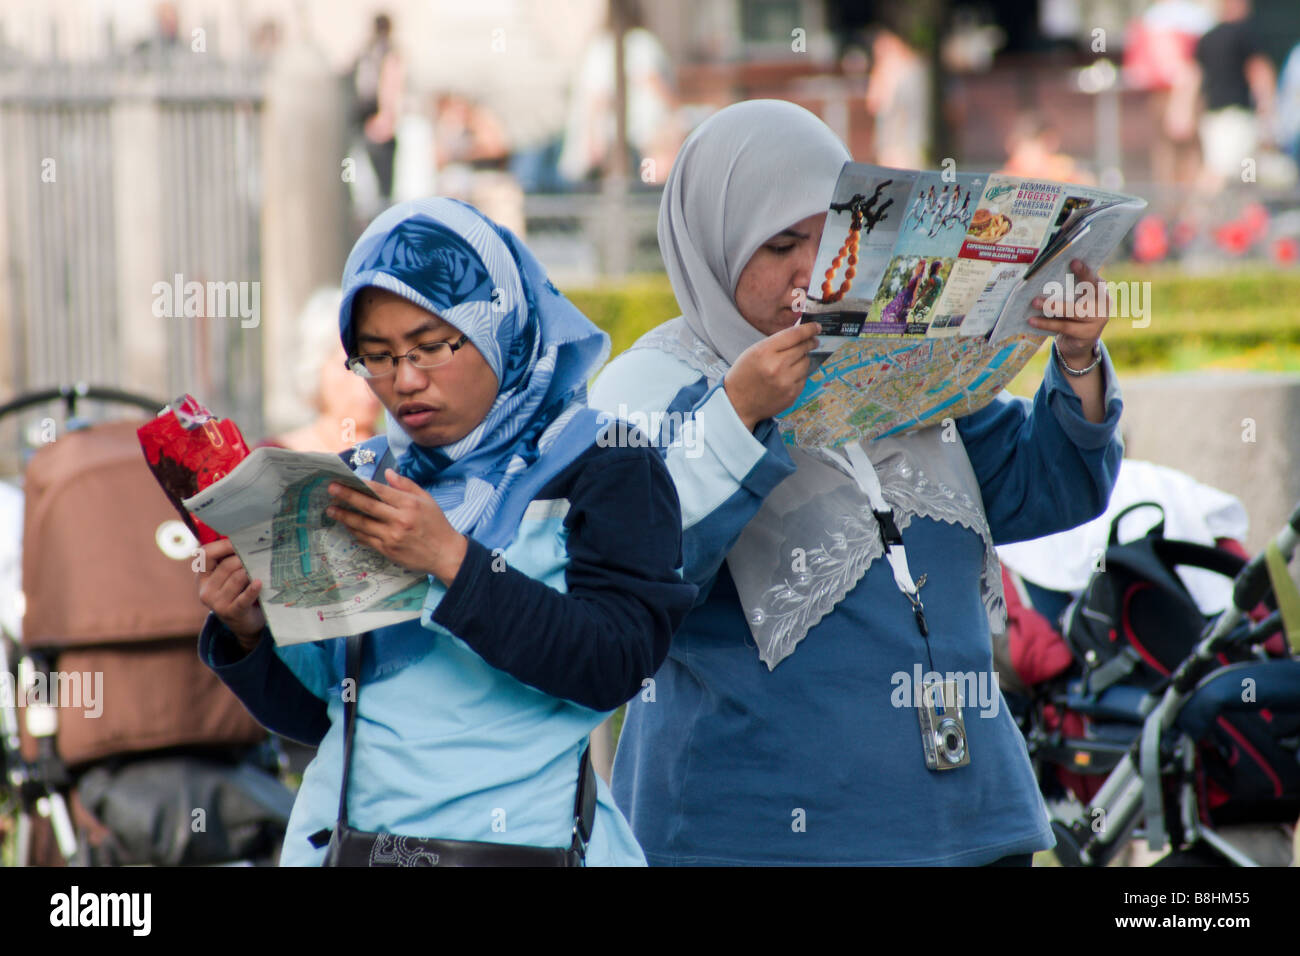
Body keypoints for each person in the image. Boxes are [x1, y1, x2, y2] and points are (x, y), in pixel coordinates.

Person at [590, 100, 1123, 866]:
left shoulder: (898, 354)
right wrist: (738, 417)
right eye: (779, 245)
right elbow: (628, 576)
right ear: (712, 247)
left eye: (837, 237)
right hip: (759, 837)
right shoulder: (648, 388)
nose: (815, 272)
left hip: (973, 825)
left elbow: (1047, 486)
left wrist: (1074, 360)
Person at [196, 197, 696, 866]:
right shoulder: (359, 479)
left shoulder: (604, 463)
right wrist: (249, 632)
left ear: (498, 325)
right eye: (375, 357)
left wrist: (454, 561)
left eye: (431, 347)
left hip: (521, 851)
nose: (404, 381)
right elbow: (321, 715)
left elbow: (612, 663)